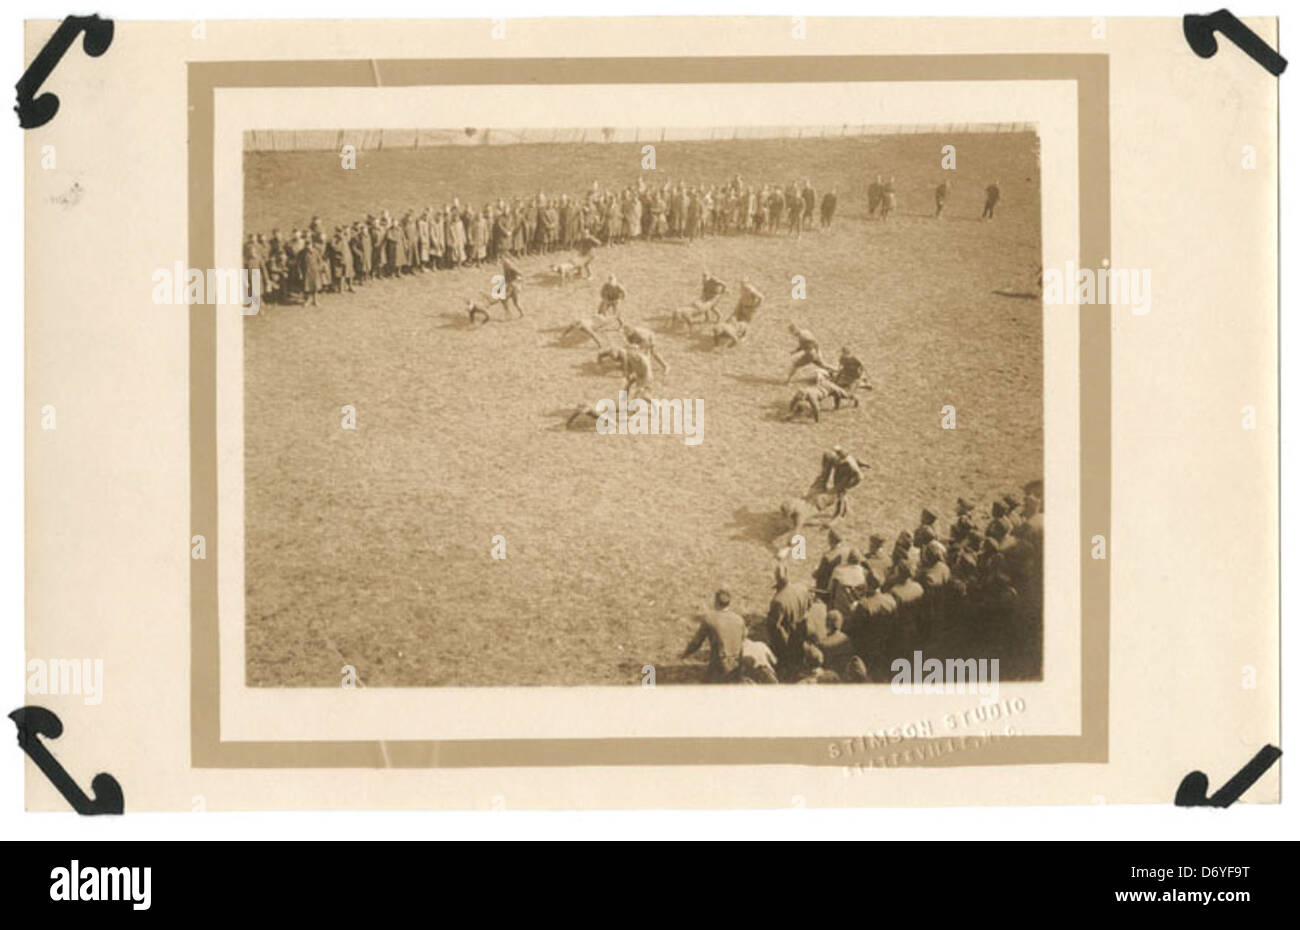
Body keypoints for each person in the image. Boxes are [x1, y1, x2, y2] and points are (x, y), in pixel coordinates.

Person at [681, 589, 747, 683]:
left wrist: (685, 654)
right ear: (729, 603)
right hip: (738, 665)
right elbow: (744, 638)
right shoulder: (739, 619)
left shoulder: (710, 619)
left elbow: (696, 642)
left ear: (715, 602)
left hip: (719, 665)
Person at [810, 446, 865, 519]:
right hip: (840, 472)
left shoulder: (851, 466)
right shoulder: (833, 456)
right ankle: (843, 511)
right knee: (839, 492)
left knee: (839, 493)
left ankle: (839, 514)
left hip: (847, 477)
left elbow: (859, 477)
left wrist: (849, 485)